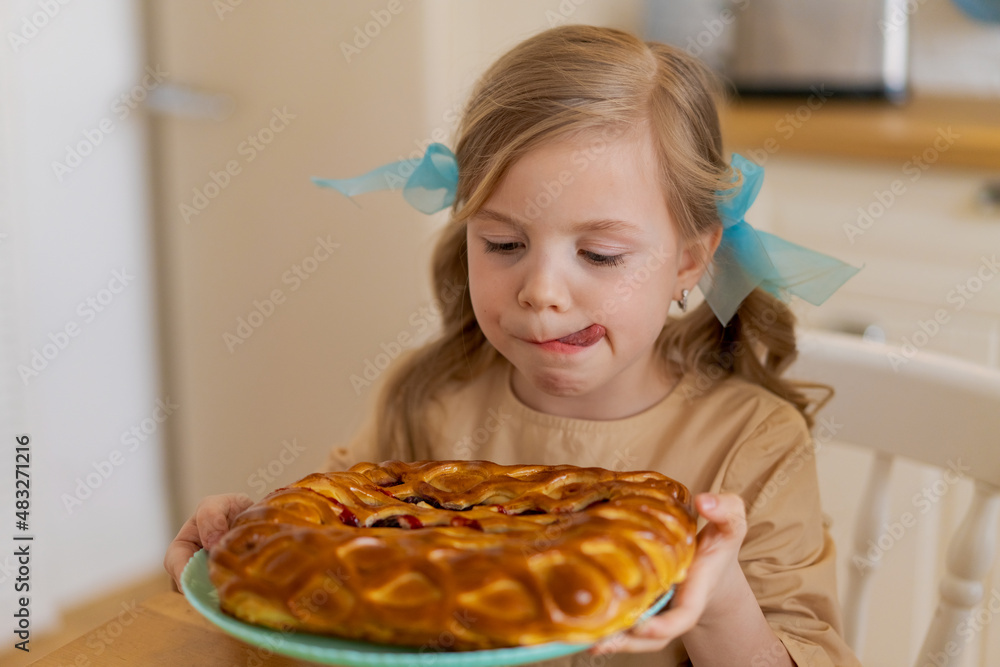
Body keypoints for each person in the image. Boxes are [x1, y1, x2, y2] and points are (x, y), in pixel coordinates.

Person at [165, 24, 863, 666]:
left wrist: (719, 594)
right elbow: (322, 576)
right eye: (503, 243)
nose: (542, 292)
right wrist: (246, 535)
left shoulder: (750, 444)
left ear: (688, 259)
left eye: (600, 253)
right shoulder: (425, 400)